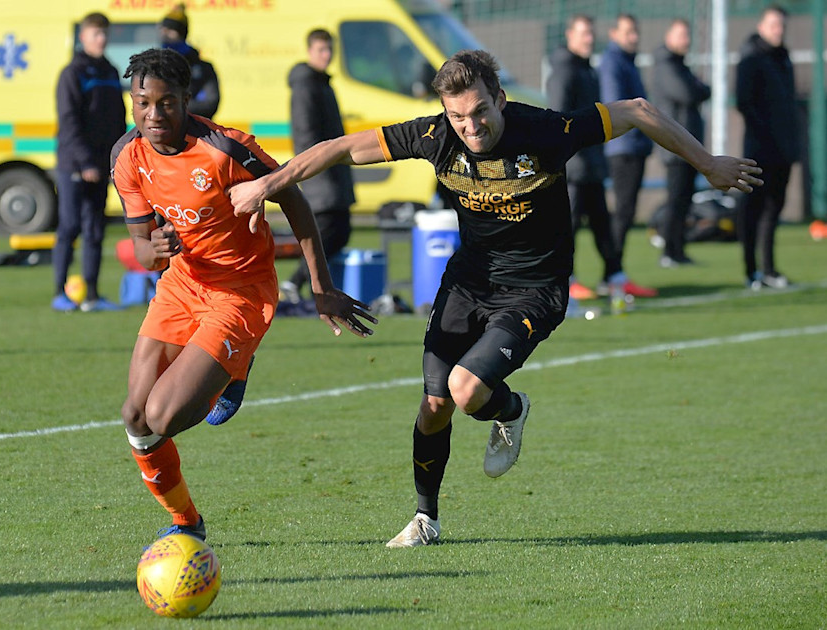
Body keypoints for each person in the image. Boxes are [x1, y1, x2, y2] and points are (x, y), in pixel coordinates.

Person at [229, 49, 761, 547]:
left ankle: (512, 407)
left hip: (534, 289)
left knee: (464, 389)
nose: (471, 126)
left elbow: (640, 110)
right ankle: (425, 518)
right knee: (435, 404)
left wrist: (707, 162)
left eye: (480, 111)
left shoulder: (548, 131)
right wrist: (268, 185)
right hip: (468, 282)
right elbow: (339, 148)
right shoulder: (435, 137)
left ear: (499, 99)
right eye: (458, 116)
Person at [112, 48, 376, 541]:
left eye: (165, 103)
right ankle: (187, 523)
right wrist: (156, 248)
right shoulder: (127, 157)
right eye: (141, 102)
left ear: (187, 101)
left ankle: (237, 363)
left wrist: (321, 289)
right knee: (134, 415)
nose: (152, 115)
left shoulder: (225, 149)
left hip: (241, 292)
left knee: (162, 416)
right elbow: (143, 254)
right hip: (181, 285)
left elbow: (293, 198)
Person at [546, 14, 624, 303]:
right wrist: (570, 160)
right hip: (574, 166)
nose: (589, 39)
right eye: (583, 34)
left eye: (591, 33)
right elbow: (559, 119)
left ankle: (615, 276)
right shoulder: (564, 71)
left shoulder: (587, 69)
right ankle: (567, 280)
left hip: (592, 163)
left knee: (602, 223)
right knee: (568, 226)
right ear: (570, 35)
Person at [51, 12, 126, 312]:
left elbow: (118, 118)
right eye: (96, 34)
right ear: (83, 37)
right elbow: (69, 122)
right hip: (75, 164)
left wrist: (117, 157)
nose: (101, 39)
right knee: (69, 227)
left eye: (105, 33)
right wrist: (85, 163)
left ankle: (92, 295)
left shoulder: (110, 71)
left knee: (95, 229)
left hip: (101, 163)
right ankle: (59, 293)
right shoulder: (73, 73)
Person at [281, 28, 356, 303]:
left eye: (329, 50)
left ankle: (307, 285)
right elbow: (305, 133)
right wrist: (316, 167)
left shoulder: (321, 82)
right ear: (310, 51)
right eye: (322, 50)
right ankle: (297, 283)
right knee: (330, 231)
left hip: (332, 170)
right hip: (322, 172)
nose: (327, 55)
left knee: (338, 230)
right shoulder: (306, 84)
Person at [736, 5, 799, 289]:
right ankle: (752, 272)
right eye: (774, 25)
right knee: (754, 209)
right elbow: (744, 102)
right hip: (760, 151)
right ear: (762, 25)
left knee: (774, 210)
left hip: (783, 150)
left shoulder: (783, 57)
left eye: (782, 25)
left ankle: (770, 268)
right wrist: (765, 135)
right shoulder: (751, 58)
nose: (779, 30)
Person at [599, 14, 657, 298]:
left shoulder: (625, 61)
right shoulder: (613, 62)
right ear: (614, 33)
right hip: (623, 149)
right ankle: (613, 275)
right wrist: (636, 137)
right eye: (628, 32)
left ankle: (613, 273)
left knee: (623, 211)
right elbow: (618, 107)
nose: (633, 37)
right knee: (622, 212)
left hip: (631, 148)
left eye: (636, 31)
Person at [652, 18, 711, 268]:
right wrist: (698, 87)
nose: (685, 40)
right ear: (669, 36)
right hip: (674, 146)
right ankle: (668, 250)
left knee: (685, 199)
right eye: (680, 35)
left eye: (687, 35)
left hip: (687, 146)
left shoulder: (680, 65)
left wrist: (699, 87)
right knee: (676, 199)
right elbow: (688, 93)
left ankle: (678, 249)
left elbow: (703, 90)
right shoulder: (666, 64)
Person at [159, 3, 220, 119]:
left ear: (181, 34)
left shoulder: (202, 68)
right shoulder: (156, 65)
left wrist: (174, 107)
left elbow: (210, 103)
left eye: (170, 30)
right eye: (163, 30)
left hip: (195, 129)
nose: (164, 35)